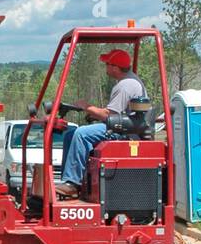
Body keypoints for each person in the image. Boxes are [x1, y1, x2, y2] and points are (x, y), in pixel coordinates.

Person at [55, 49, 146, 198]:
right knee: (70, 135)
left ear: (115, 67)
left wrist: (87, 107)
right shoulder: (128, 81)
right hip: (122, 125)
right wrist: (94, 115)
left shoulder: (126, 85)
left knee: (81, 134)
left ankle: (72, 183)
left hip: (125, 133)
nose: (106, 67)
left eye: (107, 64)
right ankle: (72, 182)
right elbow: (114, 114)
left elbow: (110, 115)